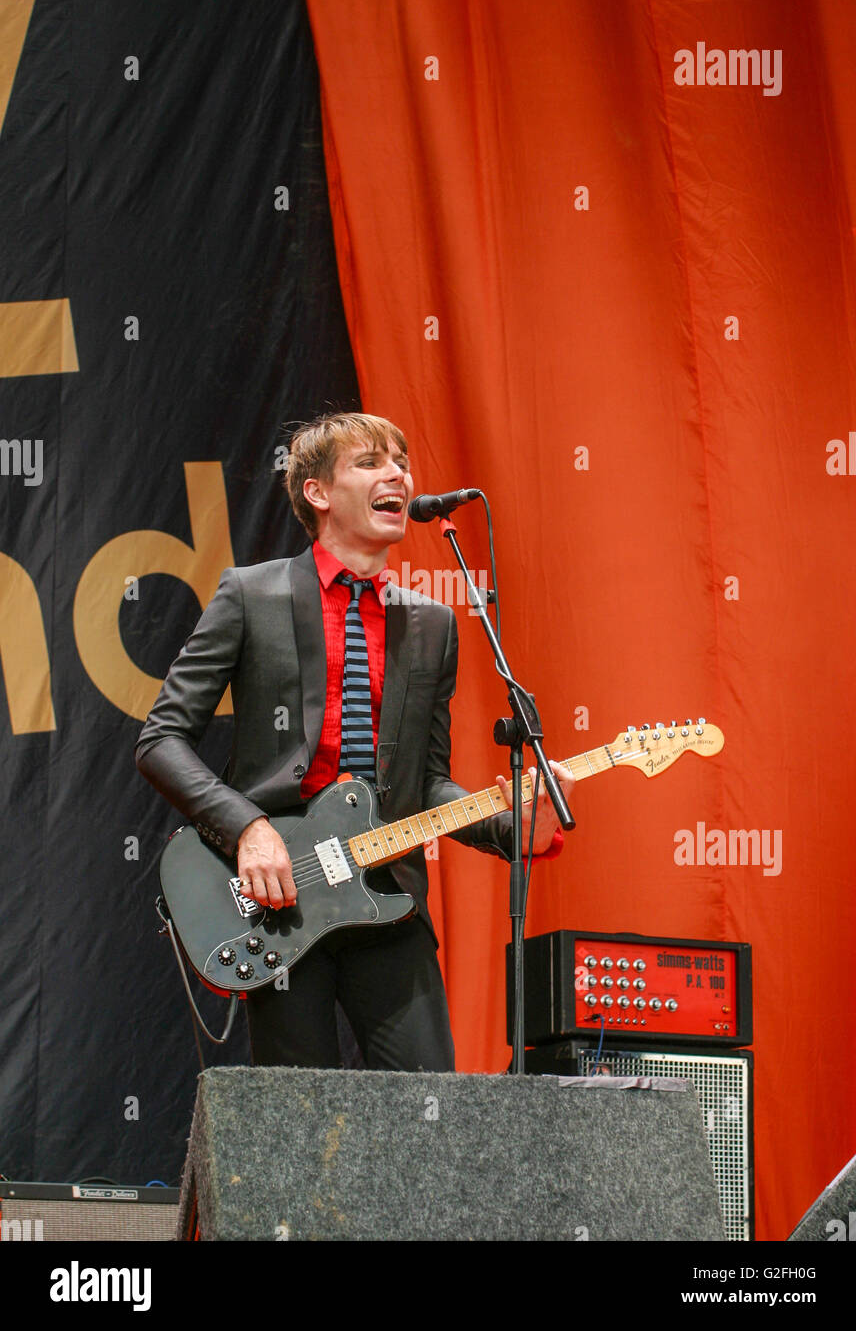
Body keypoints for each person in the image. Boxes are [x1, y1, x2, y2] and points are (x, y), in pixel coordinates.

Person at [136, 412, 574, 1071]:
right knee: (300, 1128)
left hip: (388, 896)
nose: (397, 473)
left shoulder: (429, 625)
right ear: (317, 492)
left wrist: (520, 827)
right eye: (371, 461)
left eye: (401, 461)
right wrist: (248, 828)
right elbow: (161, 738)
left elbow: (426, 783)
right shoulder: (251, 596)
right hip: (280, 899)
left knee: (432, 1117)